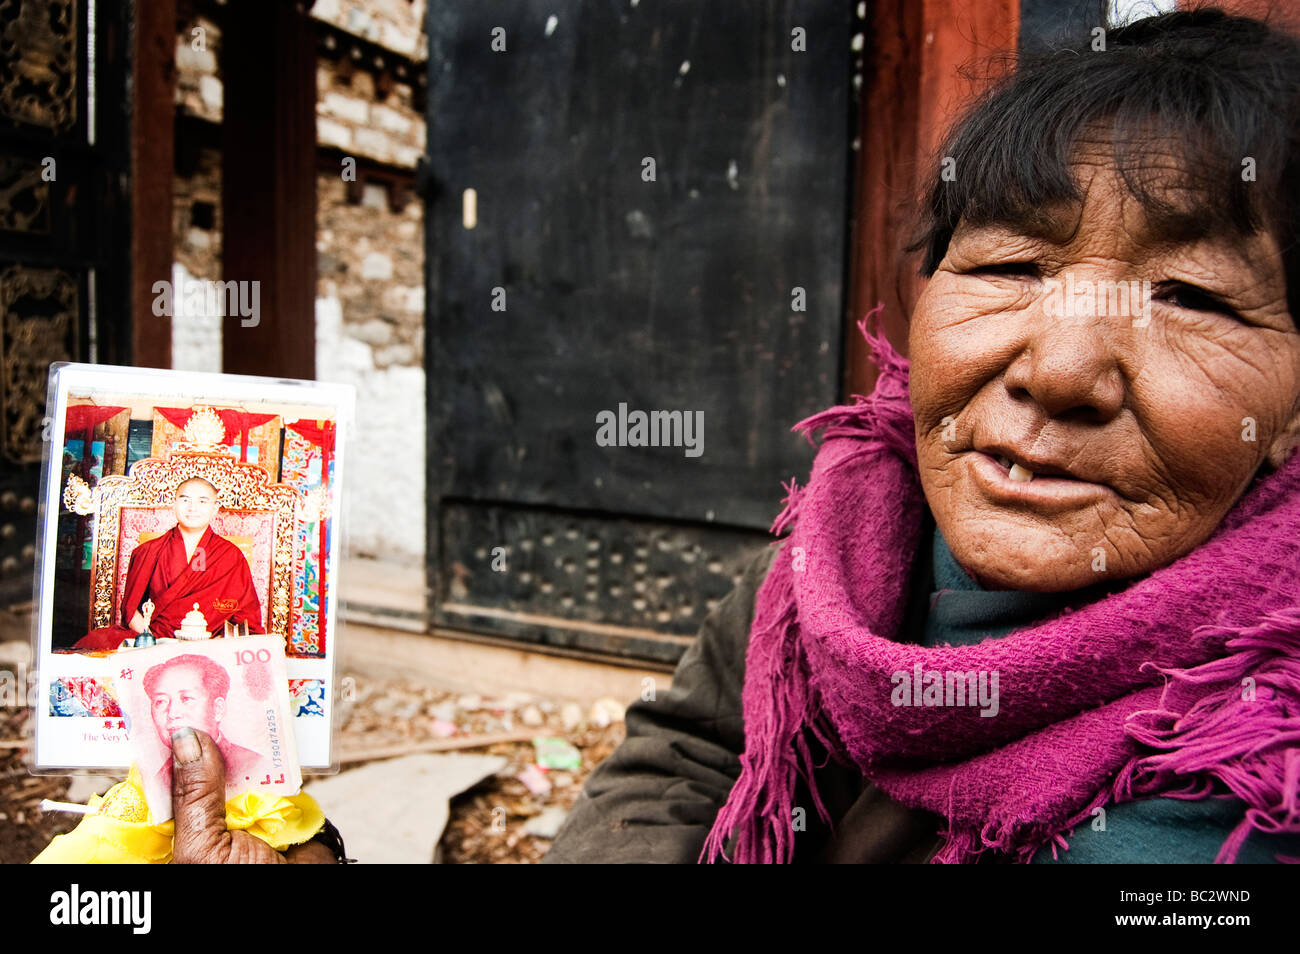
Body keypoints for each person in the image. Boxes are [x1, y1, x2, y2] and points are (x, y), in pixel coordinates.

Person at [543, 8, 1300, 863]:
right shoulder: (845, 538)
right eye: (1012, 266)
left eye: (1187, 297)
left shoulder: (1257, 761)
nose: (1056, 372)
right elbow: (685, 753)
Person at [73, 476, 265, 651]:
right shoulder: (148, 551)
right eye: (185, 500)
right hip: (156, 641)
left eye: (202, 501)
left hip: (210, 646)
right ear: (174, 504)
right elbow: (131, 611)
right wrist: (153, 642)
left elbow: (245, 618)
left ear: (215, 508)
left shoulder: (230, 556)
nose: (192, 508)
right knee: (98, 642)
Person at [143, 653, 264, 789]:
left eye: (186, 699)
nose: (172, 713)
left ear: (218, 709)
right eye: (160, 702)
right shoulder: (157, 782)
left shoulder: (254, 767)